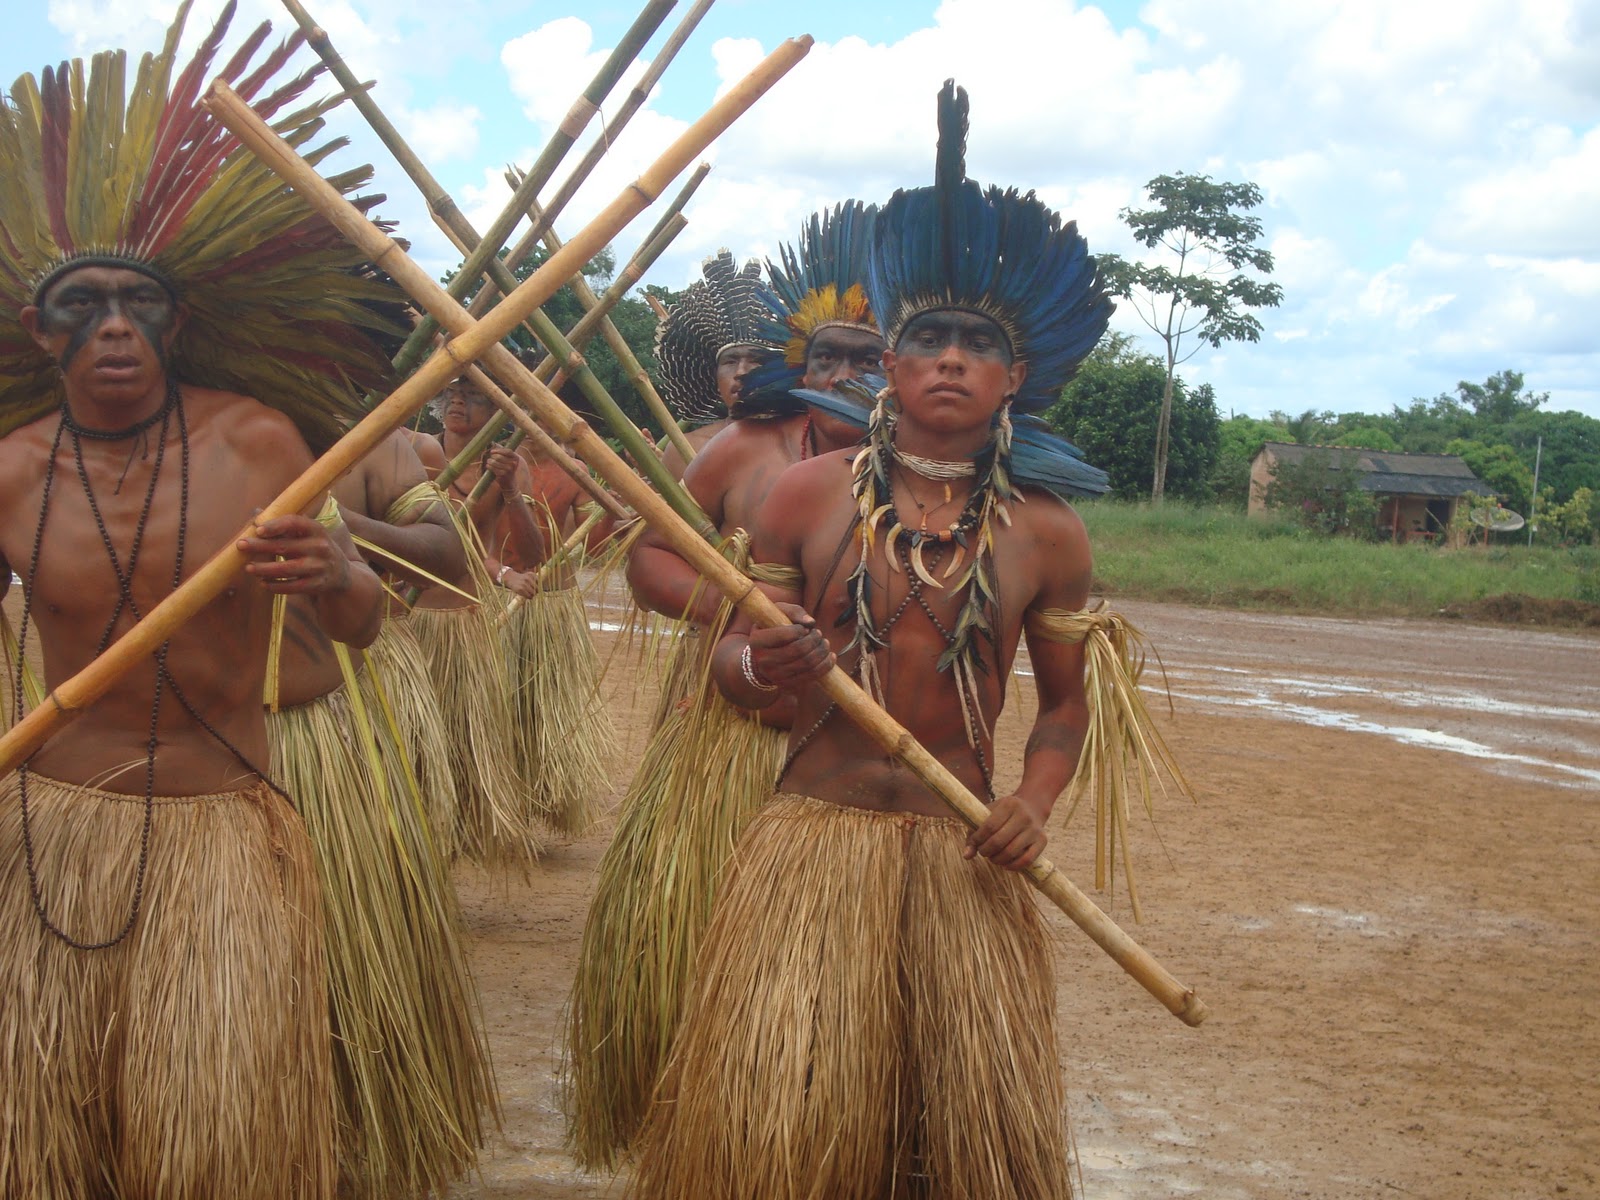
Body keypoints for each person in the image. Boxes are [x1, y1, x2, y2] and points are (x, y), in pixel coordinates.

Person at [629, 81, 1122, 1199]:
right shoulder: (805, 496)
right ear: (891, 369)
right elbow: (734, 673)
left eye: (977, 344)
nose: (950, 358)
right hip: (812, 840)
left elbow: (1063, 707)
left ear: (1014, 378)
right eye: (926, 339)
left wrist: (1034, 804)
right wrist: (759, 661)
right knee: (783, 1136)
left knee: (949, 1149)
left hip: (962, 859)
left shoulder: (1048, 533)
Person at [0, 11, 401, 1197]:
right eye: (82, 306)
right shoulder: (12, 471)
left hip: (219, 827)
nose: (115, 327)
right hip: (53, 828)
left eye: (139, 304)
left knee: (211, 1149)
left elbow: (363, 621)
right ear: (38, 330)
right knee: (50, 1144)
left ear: (177, 322)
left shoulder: (257, 440)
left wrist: (335, 574)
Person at [564, 202, 887, 1172]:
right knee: (690, 939)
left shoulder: (934, 474)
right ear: (802, 362)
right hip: (729, 735)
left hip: (859, 765)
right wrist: (742, 614)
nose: (846, 373)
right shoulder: (744, 448)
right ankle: (682, 1110)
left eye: (867, 355)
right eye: (828, 356)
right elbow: (648, 560)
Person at [263, 429, 495, 1200]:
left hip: (322, 731)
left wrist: (340, 528)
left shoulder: (370, 442)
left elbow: (447, 548)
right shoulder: (139, 434)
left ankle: (340, 1128)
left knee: (334, 956)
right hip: (169, 755)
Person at [402, 376, 544, 865]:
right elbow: (431, 541)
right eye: (452, 394)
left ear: (497, 410)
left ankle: (450, 839)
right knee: (412, 744)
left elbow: (533, 554)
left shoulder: (508, 463)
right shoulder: (415, 453)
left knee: (462, 747)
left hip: (466, 622)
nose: (459, 401)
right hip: (411, 618)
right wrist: (500, 573)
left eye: (475, 395)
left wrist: (509, 489)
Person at [498, 432, 616, 837]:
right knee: (500, 710)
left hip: (553, 606)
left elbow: (595, 546)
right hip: (499, 599)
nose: (536, 425)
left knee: (550, 714)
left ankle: (550, 798)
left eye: (543, 415)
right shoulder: (495, 464)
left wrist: (611, 512)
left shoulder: (574, 471)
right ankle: (500, 806)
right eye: (528, 414)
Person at [651, 248, 780, 480]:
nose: (741, 372)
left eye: (756, 360)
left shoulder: (807, 440)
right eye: (730, 361)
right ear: (713, 375)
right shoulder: (686, 450)